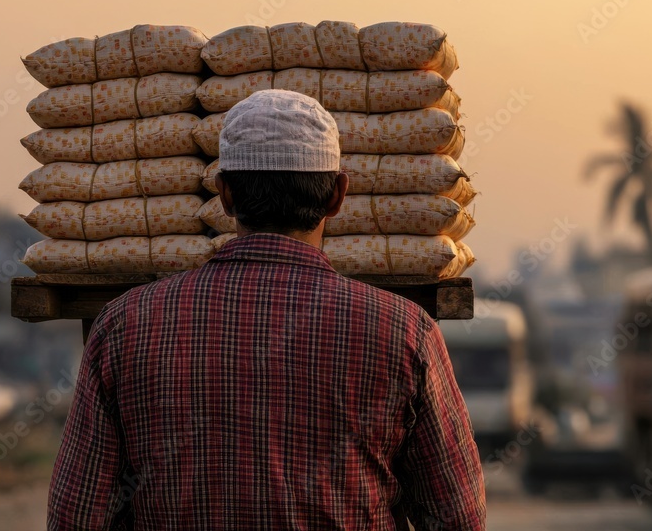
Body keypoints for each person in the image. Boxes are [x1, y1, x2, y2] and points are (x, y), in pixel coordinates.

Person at [47, 89, 486, 530]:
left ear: (224, 195)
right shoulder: (404, 332)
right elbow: (458, 518)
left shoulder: (125, 326)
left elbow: (76, 517)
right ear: (337, 195)